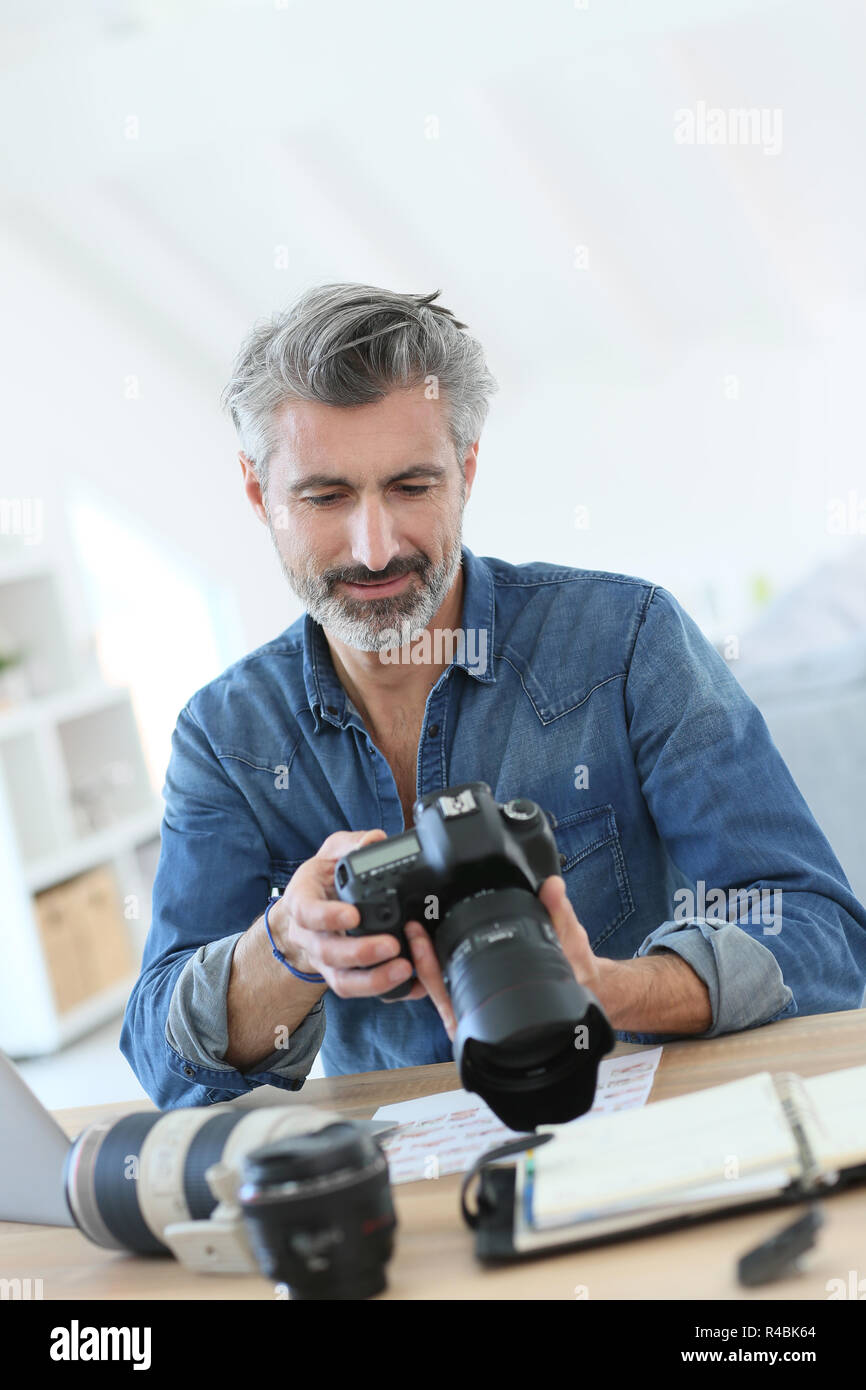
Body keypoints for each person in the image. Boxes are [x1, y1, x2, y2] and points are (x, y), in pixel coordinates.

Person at [120, 284, 866, 1109]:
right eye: (325, 497)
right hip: (408, 1182)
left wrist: (610, 990)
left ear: (467, 470)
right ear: (260, 495)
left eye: (412, 487)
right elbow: (161, 1060)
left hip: (639, 1125)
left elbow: (822, 936)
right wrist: (287, 947)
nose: (375, 548)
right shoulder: (228, 736)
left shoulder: (625, 641)